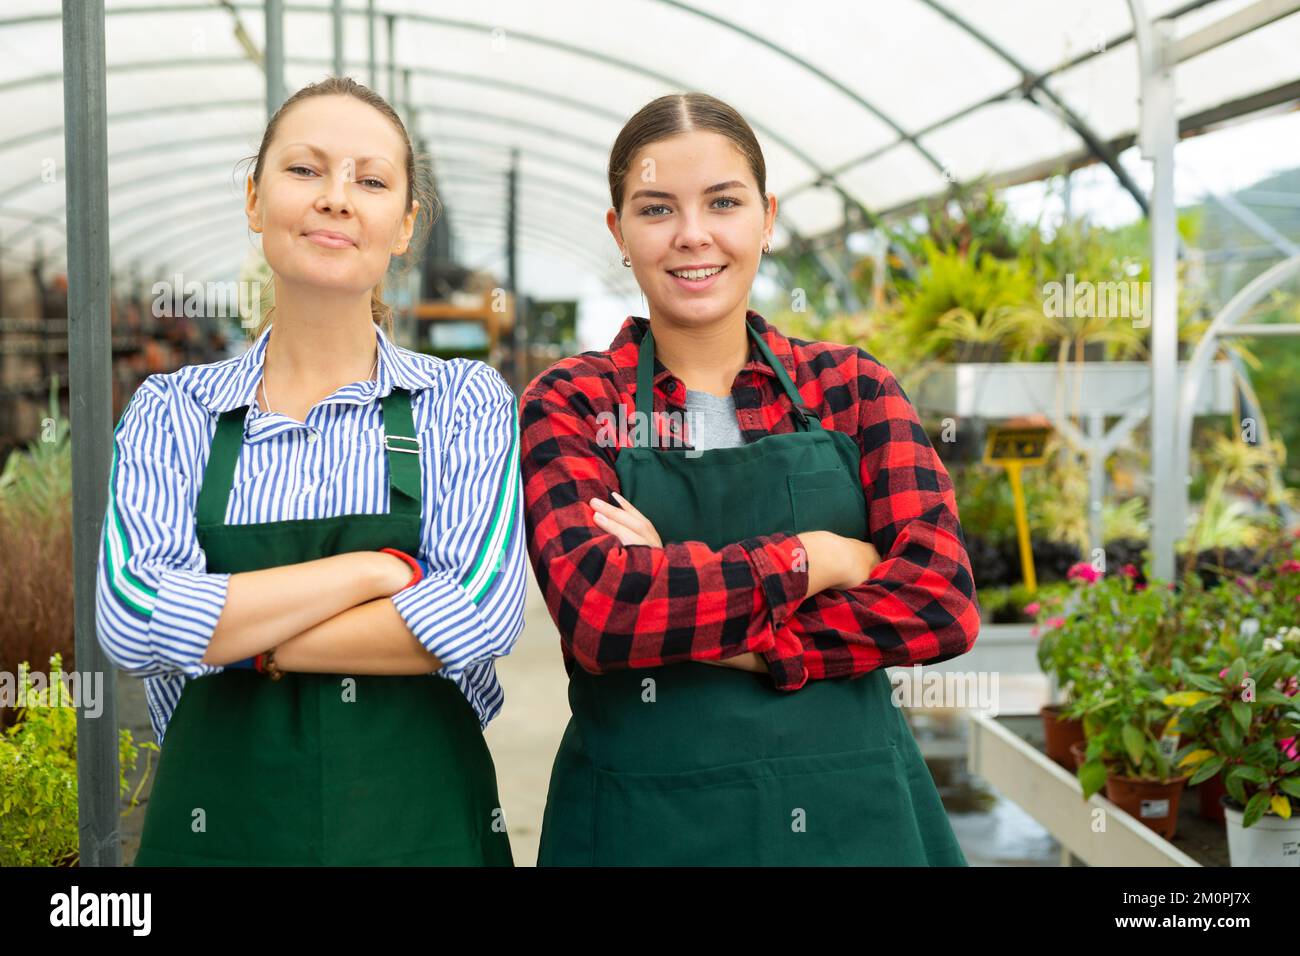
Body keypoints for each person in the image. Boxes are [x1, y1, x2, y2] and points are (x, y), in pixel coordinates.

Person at [519, 92, 980, 866]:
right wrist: (819, 559)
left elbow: (940, 605)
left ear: (766, 219)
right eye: (657, 208)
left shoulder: (852, 389)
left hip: (854, 817)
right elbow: (603, 612)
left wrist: (681, 590)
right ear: (619, 233)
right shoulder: (574, 402)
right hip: (644, 822)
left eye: (723, 203)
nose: (693, 235)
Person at [96, 77, 524, 866]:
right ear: (255, 201)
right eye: (305, 170)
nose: (336, 199)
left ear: (404, 226)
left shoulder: (463, 403)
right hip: (220, 837)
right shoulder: (172, 410)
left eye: (370, 180)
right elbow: (133, 616)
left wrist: (244, 641)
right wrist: (372, 570)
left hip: (419, 836)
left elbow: (478, 619)